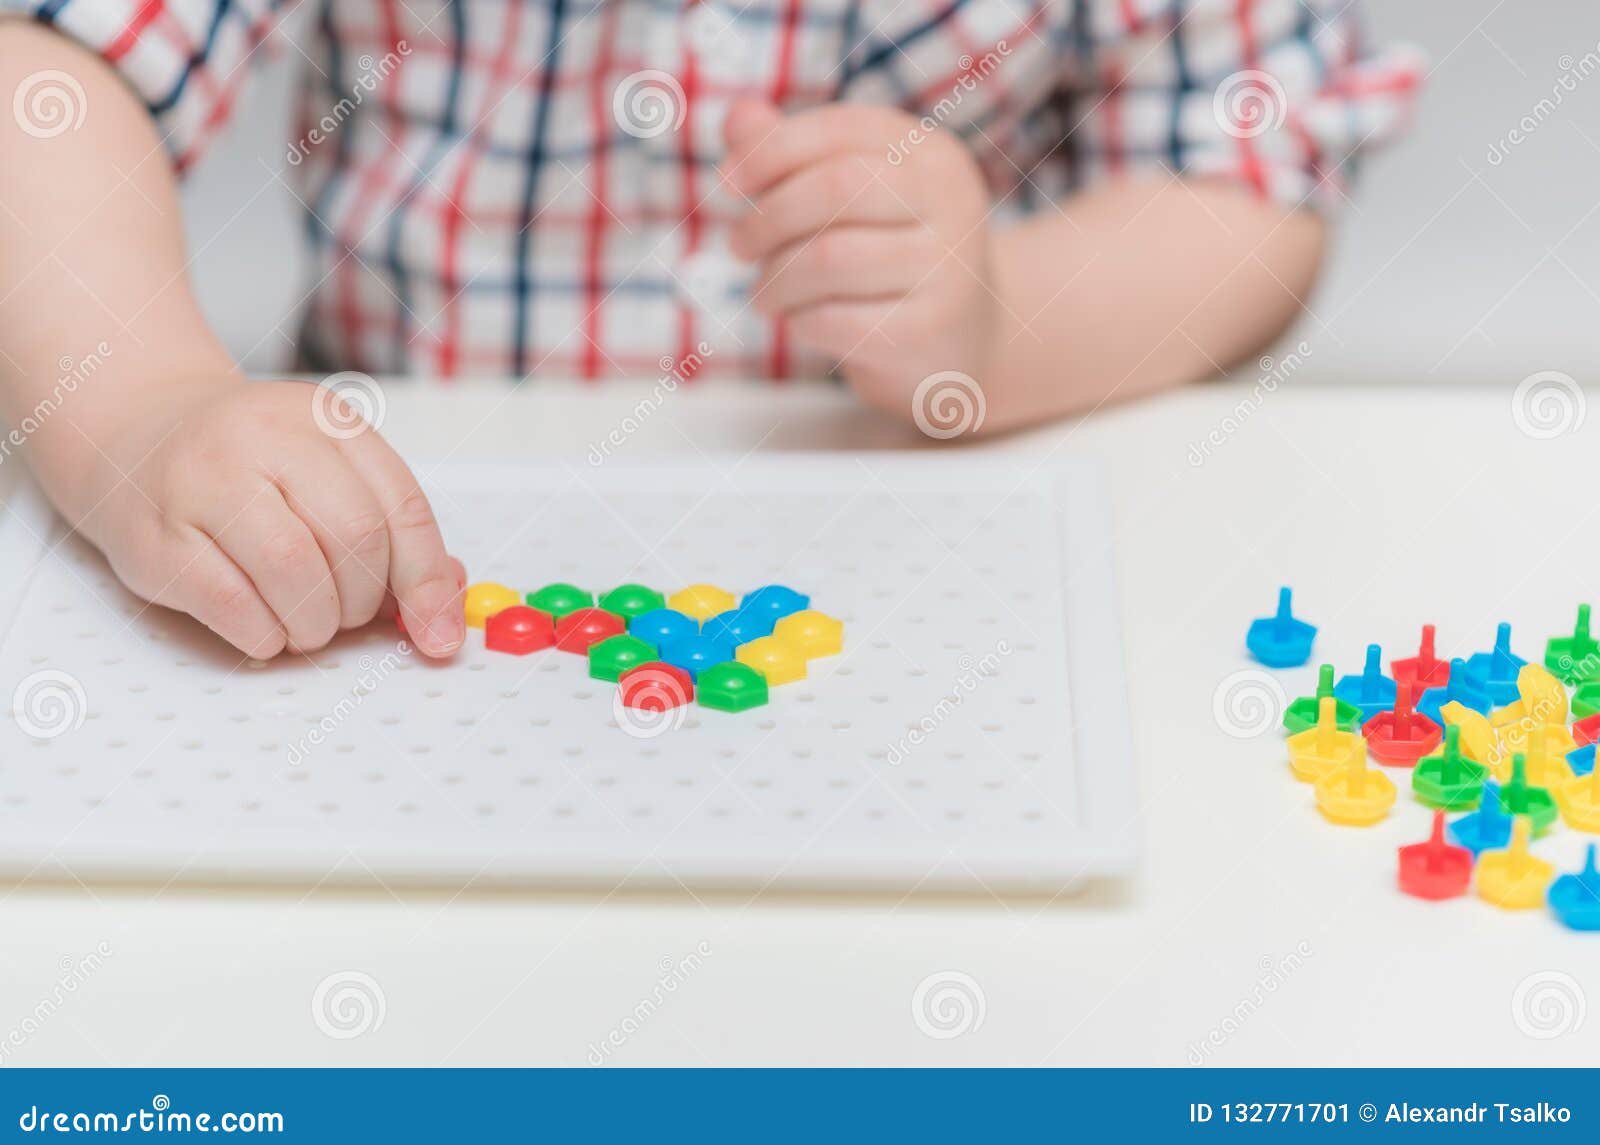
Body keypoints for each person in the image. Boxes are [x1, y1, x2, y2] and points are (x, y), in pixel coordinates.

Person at [0, 2, 1419, 659]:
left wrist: (1005, 324)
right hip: (384, 559)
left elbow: (1250, 180)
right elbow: (50, 74)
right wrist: (135, 401)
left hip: (928, 574)